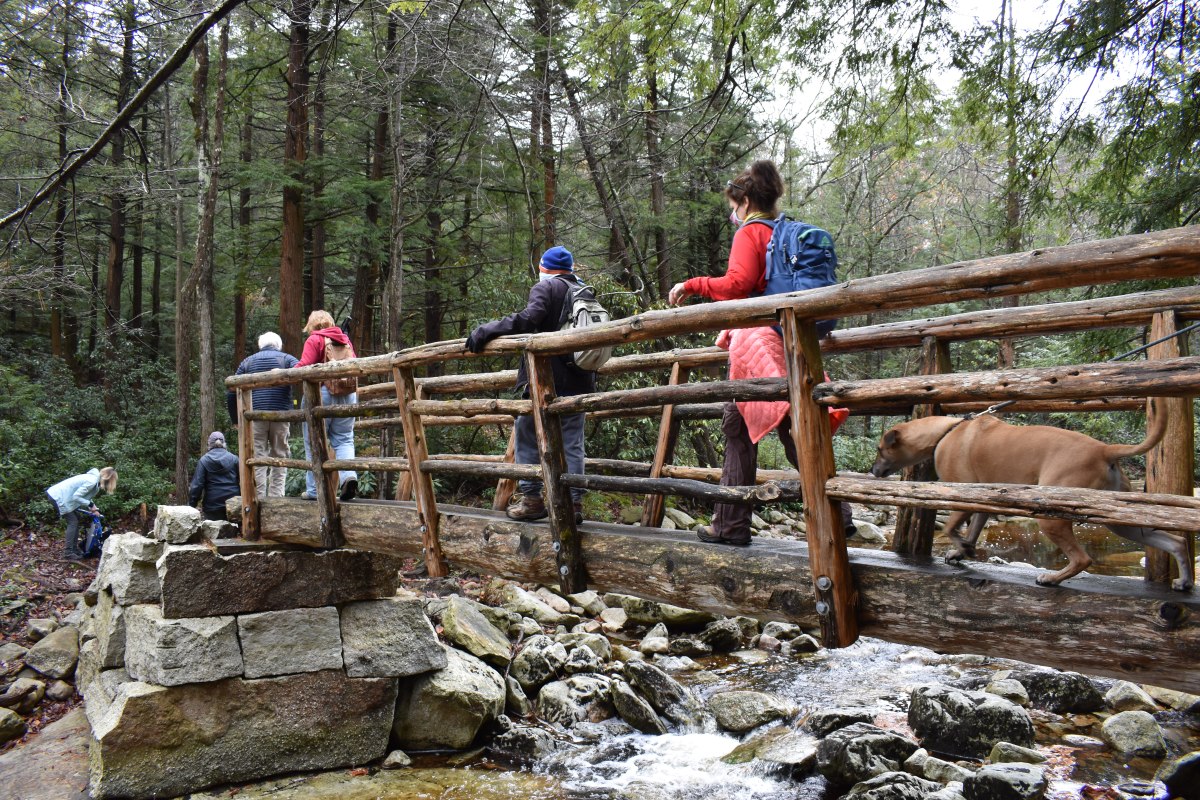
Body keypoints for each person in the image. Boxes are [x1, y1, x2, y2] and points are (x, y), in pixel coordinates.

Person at [668, 160, 855, 546]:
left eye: (733, 207)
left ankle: (731, 526)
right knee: (794, 423)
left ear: (746, 201)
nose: (733, 215)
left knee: (741, 430)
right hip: (787, 341)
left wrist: (692, 284)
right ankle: (838, 512)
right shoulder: (781, 231)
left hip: (757, 344)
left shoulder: (751, 232)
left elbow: (737, 284)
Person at [466, 246, 593, 523]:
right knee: (572, 442)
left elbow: (529, 318)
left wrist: (486, 330)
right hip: (580, 378)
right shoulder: (583, 290)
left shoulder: (546, 287)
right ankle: (573, 505)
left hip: (545, 381)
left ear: (544, 268)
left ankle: (532, 499)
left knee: (526, 432)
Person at [294, 310, 358, 501]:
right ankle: (349, 476)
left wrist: (283, 373)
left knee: (314, 440)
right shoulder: (344, 339)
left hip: (323, 395)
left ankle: (315, 491)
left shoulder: (315, 339)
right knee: (344, 439)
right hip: (348, 394)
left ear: (311, 325)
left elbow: (305, 366)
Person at [227, 331, 299, 497]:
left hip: (255, 416)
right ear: (279, 345)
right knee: (280, 455)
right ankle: (276, 496)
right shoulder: (287, 359)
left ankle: (258, 497)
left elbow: (231, 391)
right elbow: (302, 371)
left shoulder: (247, 362)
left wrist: (235, 419)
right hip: (281, 415)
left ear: (261, 345)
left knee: (258, 457)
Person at [45, 467, 117, 559]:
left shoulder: (94, 481)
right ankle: (68, 553)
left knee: (76, 519)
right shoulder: (92, 481)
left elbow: (85, 497)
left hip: (62, 496)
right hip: (58, 496)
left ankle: (74, 549)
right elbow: (76, 496)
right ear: (107, 479)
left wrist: (94, 508)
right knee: (73, 522)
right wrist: (91, 505)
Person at [189, 432, 241, 521]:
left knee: (213, 529)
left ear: (209, 444)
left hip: (212, 506)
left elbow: (197, 485)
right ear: (224, 443)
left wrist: (191, 505)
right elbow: (243, 481)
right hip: (234, 504)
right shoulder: (234, 459)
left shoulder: (204, 460)